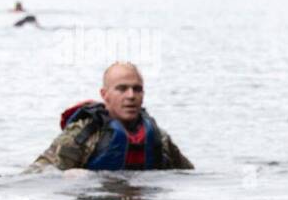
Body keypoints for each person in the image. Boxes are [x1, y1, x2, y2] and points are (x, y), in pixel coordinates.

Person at [29, 61, 194, 171]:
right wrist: (68, 178)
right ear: (104, 94)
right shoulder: (84, 132)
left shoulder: (159, 138)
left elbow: (188, 176)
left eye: (137, 89)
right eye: (122, 89)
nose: (131, 95)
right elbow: (37, 174)